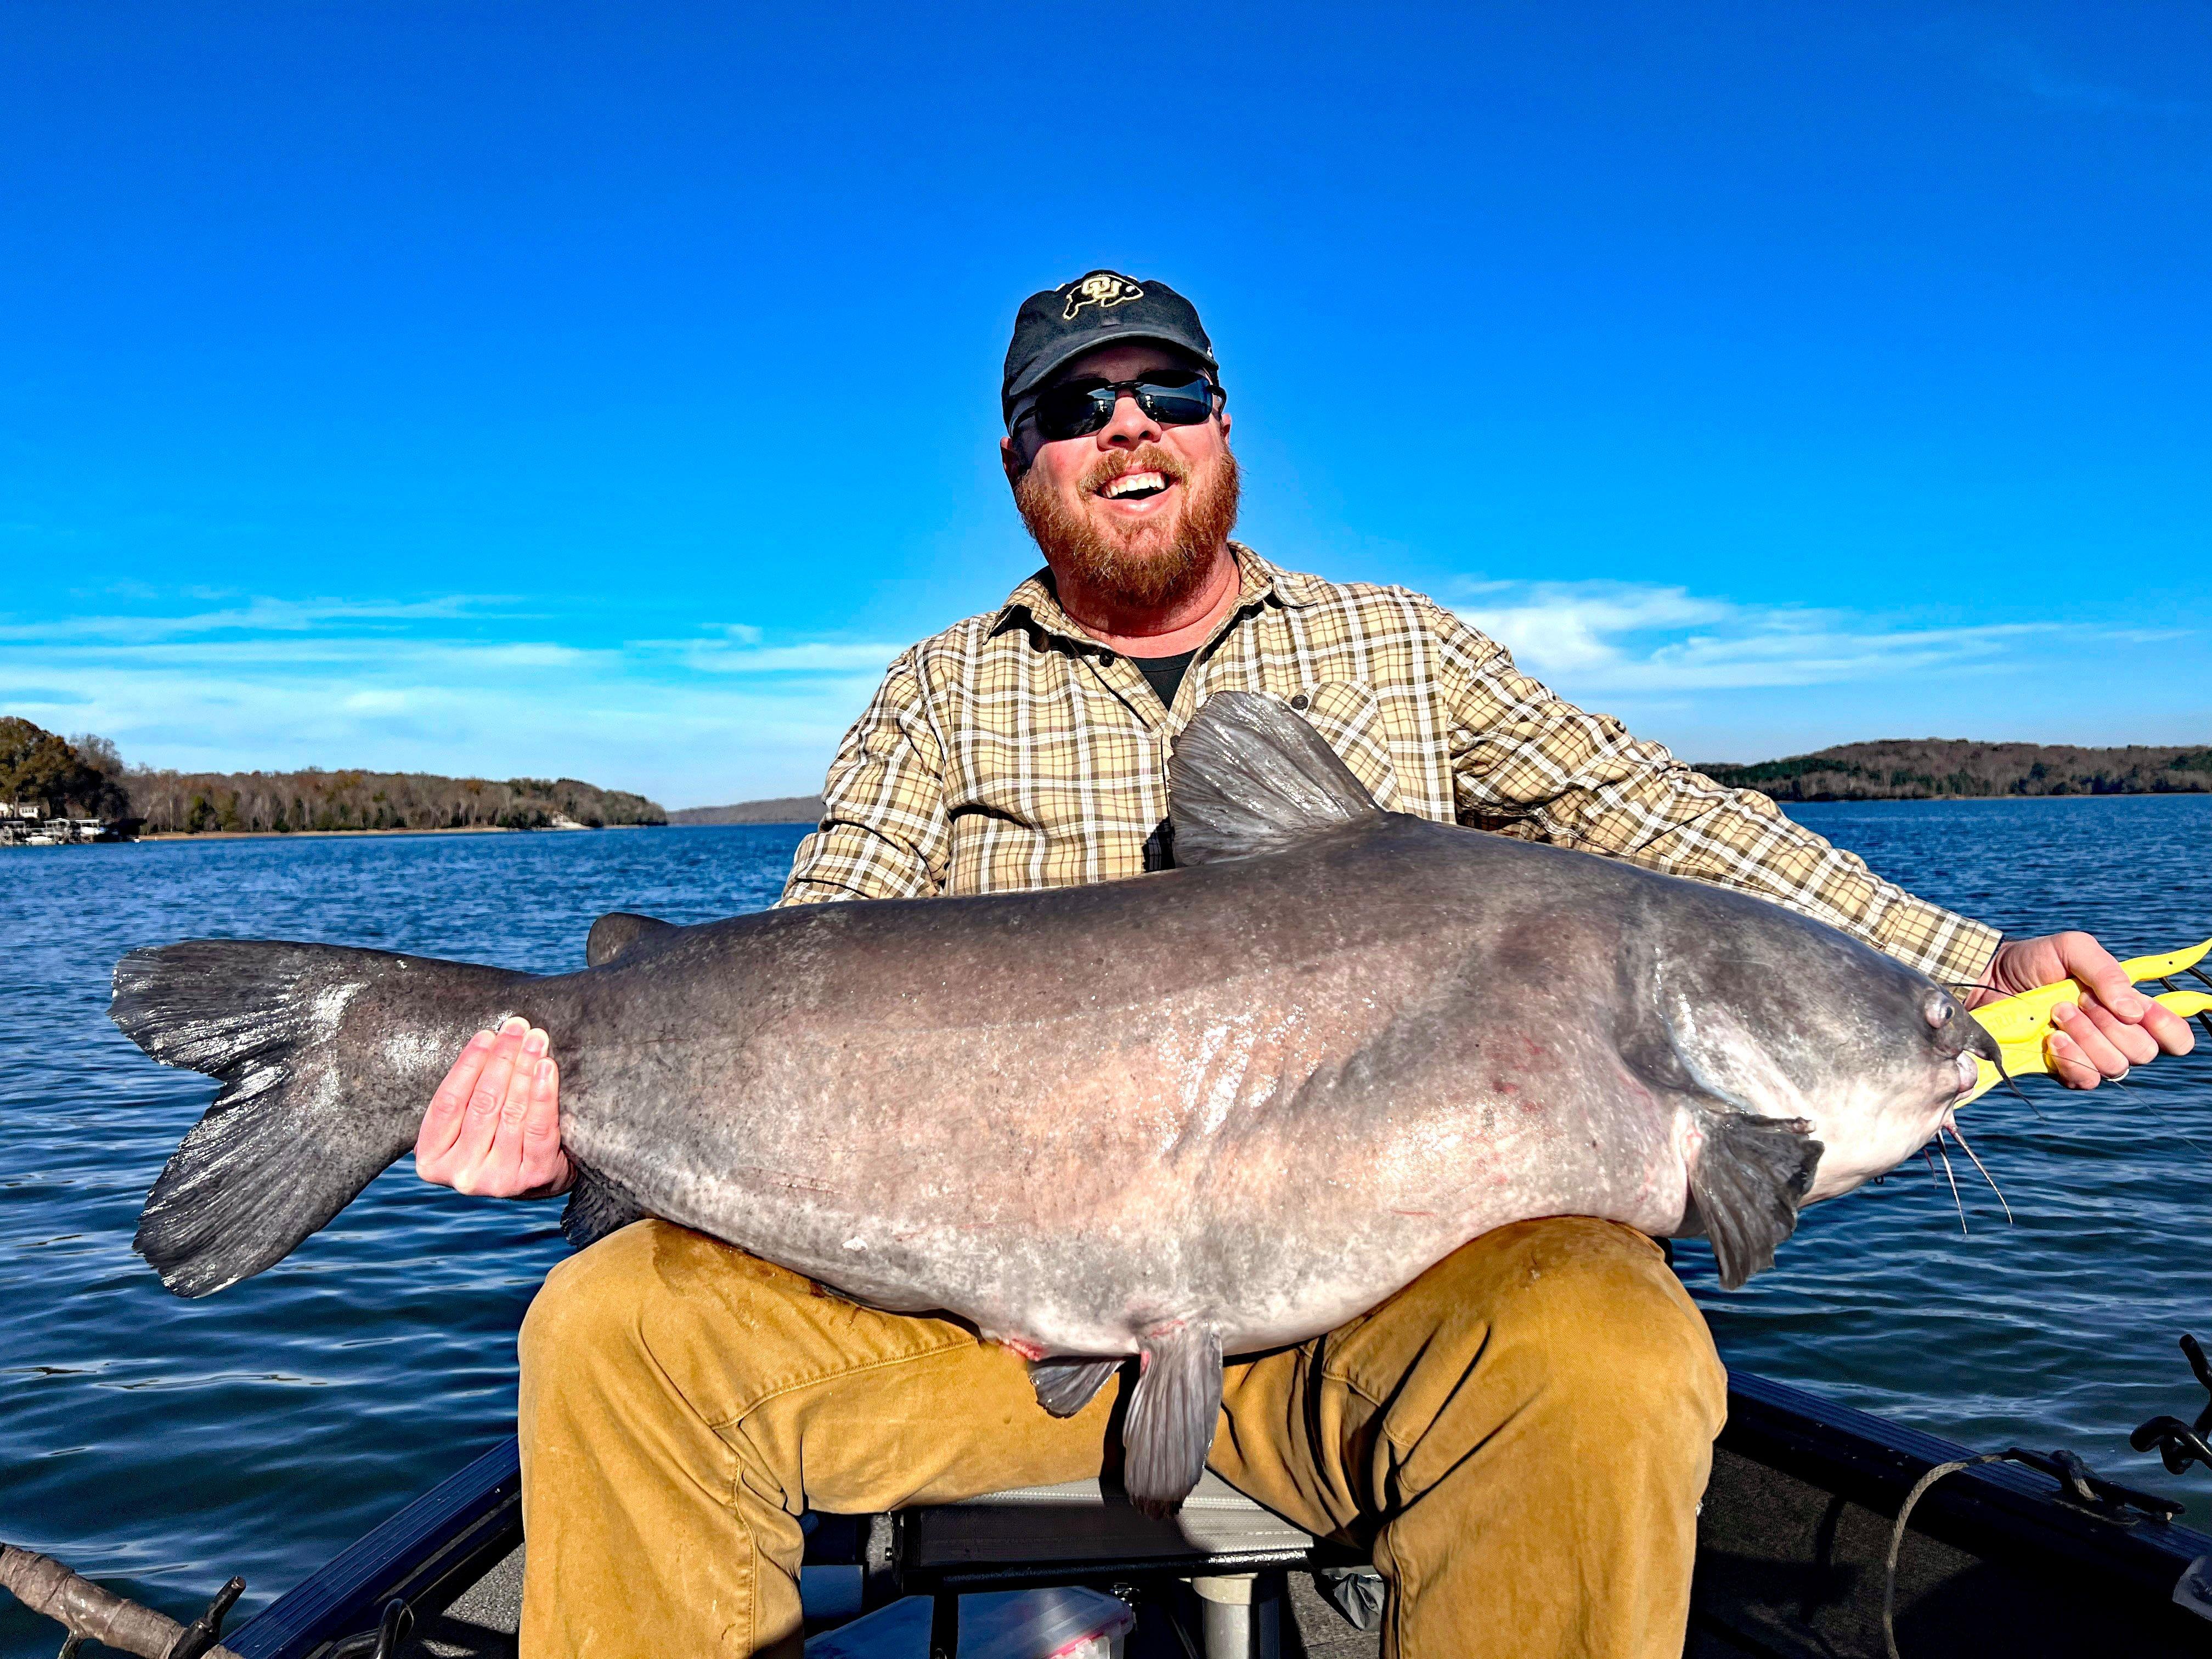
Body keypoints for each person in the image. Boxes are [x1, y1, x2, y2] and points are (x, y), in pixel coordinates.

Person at [414, 272, 2194, 1659]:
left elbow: (1673, 823)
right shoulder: (939, 694)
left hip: (1373, 1315)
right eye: (1072, 408)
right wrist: (581, 1108)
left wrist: (1975, 958)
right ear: (1017, 466)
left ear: (1225, 422)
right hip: (976, 1325)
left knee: (1611, 1351)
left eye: (1166, 389)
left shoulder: (1397, 650)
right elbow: (801, 981)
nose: (1130, 428)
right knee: (615, 1326)